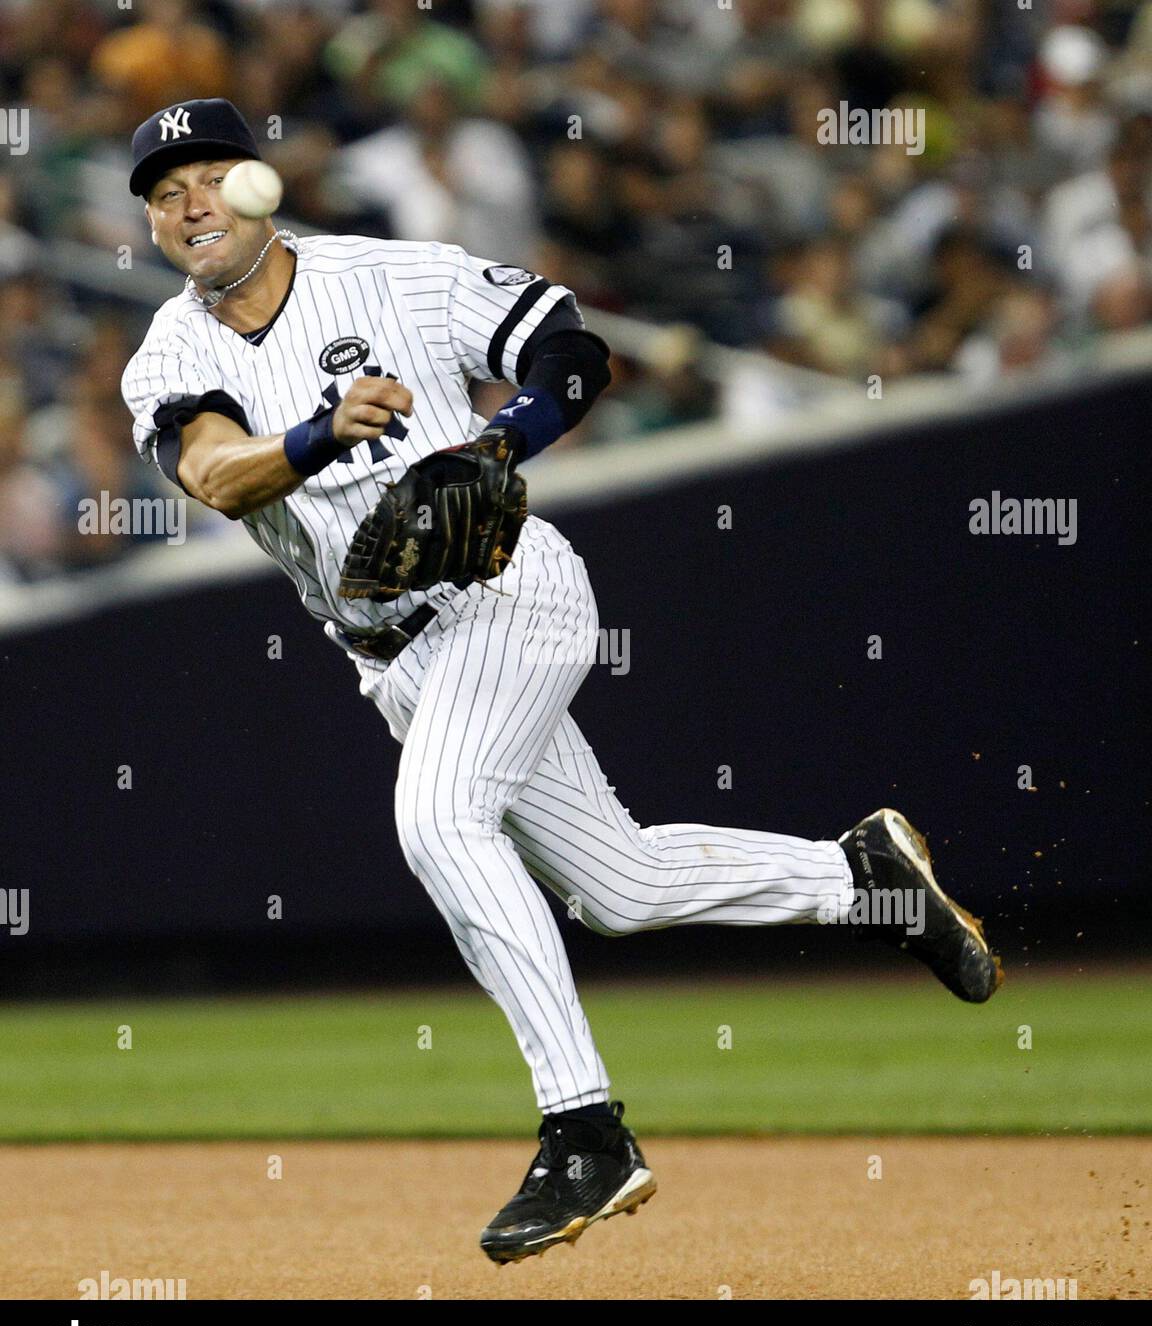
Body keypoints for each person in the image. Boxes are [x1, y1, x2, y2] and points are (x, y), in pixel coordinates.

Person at [121, 99, 1002, 1267]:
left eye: (210, 172)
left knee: (439, 818)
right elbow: (219, 475)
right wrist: (322, 434)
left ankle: (584, 1130)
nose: (188, 200)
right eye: (162, 188)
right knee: (619, 883)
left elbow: (568, 346)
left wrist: (499, 447)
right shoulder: (167, 355)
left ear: (257, 184)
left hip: (501, 590)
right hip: (394, 657)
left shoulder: (392, 276)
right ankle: (864, 879)